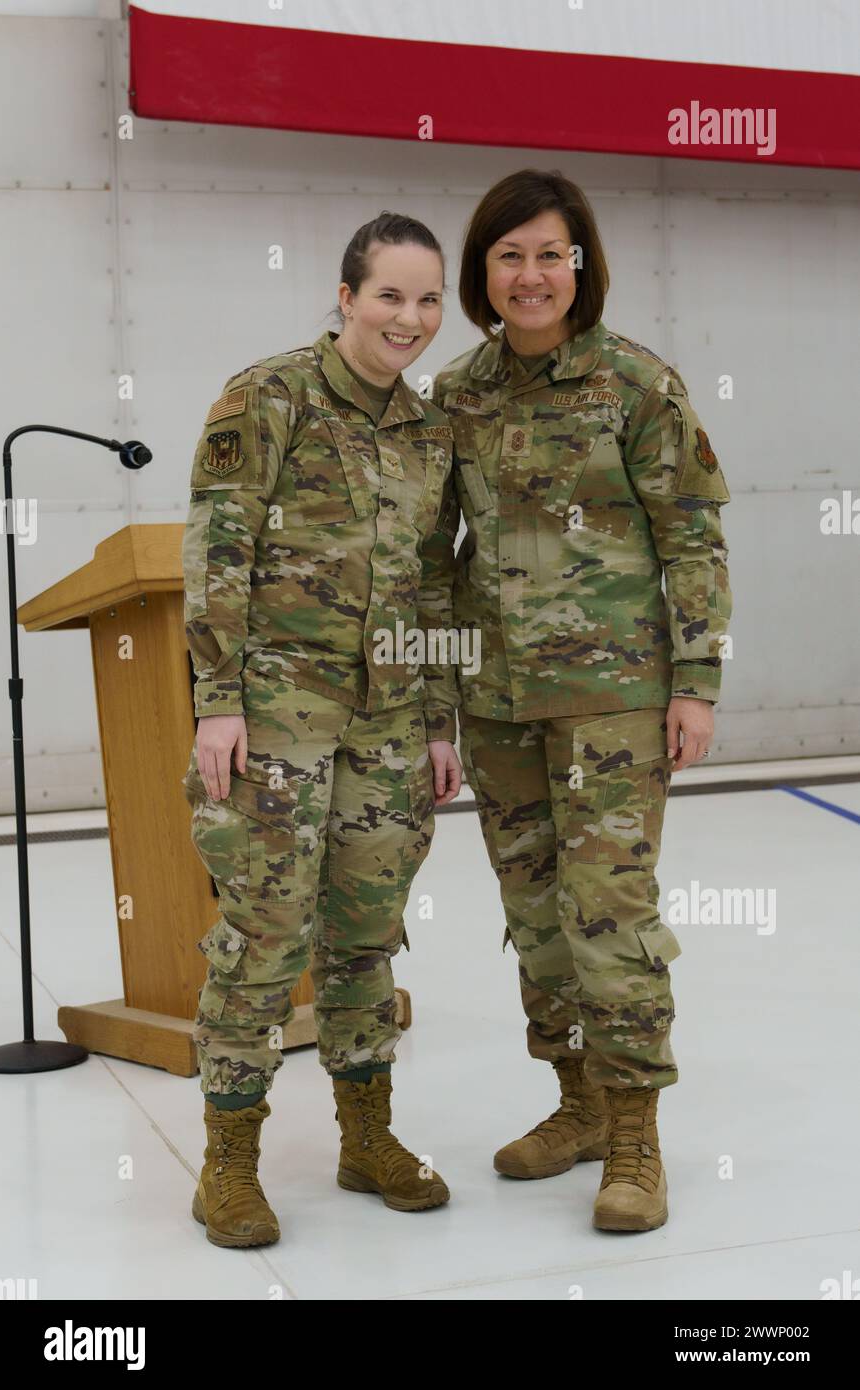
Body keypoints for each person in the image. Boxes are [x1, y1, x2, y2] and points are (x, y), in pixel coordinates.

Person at [432, 169, 732, 1233]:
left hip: (612, 696)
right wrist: (435, 706)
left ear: (579, 265)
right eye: (507, 256)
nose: (529, 275)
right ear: (482, 272)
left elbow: (689, 535)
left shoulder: (632, 384)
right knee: (535, 918)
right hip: (497, 701)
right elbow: (434, 556)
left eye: (548, 254)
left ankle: (637, 1137)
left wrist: (694, 681)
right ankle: (577, 1104)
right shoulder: (457, 394)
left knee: (608, 917)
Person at [181, 212, 463, 1248]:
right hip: (276, 717)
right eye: (388, 294)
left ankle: (365, 1137)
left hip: (388, 721)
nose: (408, 317)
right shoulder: (269, 395)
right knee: (261, 934)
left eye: (427, 298)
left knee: (362, 936)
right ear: (345, 297)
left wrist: (437, 717)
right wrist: (217, 698)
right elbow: (216, 548)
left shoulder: (430, 431)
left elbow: (435, 580)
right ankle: (228, 1166)